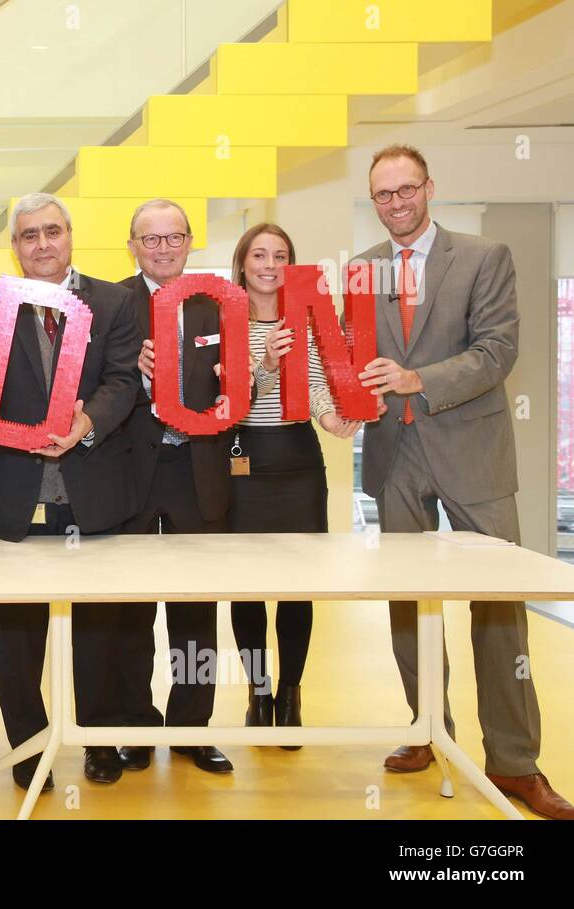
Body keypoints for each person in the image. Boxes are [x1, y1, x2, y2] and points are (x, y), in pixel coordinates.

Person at [356, 144, 572, 819]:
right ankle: (427, 728)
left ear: (429, 188)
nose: (396, 203)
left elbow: (497, 351)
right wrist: (336, 397)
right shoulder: (363, 270)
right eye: (383, 194)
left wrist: (421, 379)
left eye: (406, 189)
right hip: (395, 452)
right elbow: (353, 353)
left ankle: (514, 762)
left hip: (472, 451)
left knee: (499, 607)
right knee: (406, 603)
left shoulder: (484, 257)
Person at [0, 193, 142, 791]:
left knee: (98, 630)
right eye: (30, 235)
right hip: (15, 497)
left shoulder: (114, 302)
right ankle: (27, 745)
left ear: (71, 236)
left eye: (52, 232)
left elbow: (122, 382)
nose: (42, 244)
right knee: (17, 636)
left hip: (91, 491)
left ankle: (97, 739)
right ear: (15, 246)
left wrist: (85, 424)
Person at [226, 223, 361, 741]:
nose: (269, 264)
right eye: (258, 254)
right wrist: (264, 364)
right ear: (242, 263)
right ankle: (258, 693)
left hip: (299, 461)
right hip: (243, 463)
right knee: (247, 587)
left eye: (280, 255)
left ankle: (290, 691)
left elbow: (320, 384)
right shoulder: (223, 318)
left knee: (296, 588)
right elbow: (229, 398)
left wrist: (332, 421)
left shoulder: (307, 317)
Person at [129, 199, 237, 775]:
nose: (163, 247)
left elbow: (238, 382)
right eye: (151, 239)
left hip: (199, 470)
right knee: (130, 607)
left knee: (195, 608)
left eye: (173, 237)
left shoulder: (216, 302)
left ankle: (193, 728)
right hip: (135, 474)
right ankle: (135, 727)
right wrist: (132, 368)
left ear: (191, 241)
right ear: (133, 246)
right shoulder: (115, 302)